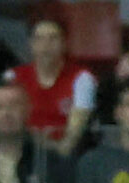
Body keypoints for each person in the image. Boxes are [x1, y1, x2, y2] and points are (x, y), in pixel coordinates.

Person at [10, 13, 96, 154]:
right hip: (22, 150)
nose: (46, 46)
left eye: (53, 38)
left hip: (64, 154)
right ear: (31, 44)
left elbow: (72, 138)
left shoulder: (82, 79)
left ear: (64, 44)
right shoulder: (13, 77)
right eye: (39, 39)